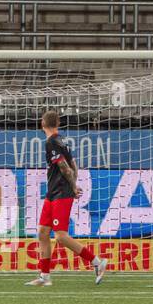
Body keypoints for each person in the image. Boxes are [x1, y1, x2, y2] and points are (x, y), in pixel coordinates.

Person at [25, 110, 109, 287]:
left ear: (42, 123)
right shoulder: (61, 140)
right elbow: (73, 165)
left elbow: (64, 167)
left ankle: (97, 262)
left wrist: (71, 187)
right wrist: (75, 183)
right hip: (53, 192)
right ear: (58, 123)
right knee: (42, 232)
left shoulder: (51, 142)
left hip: (61, 193)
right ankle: (45, 276)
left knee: (61, 236)